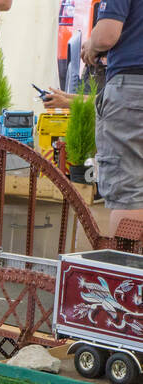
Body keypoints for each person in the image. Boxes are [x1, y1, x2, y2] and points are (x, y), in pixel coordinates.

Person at [85, 0, 143, 233]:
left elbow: (106, 35)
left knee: (128, 192)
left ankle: (128, 267)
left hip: (132, 88)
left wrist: (91, 44)